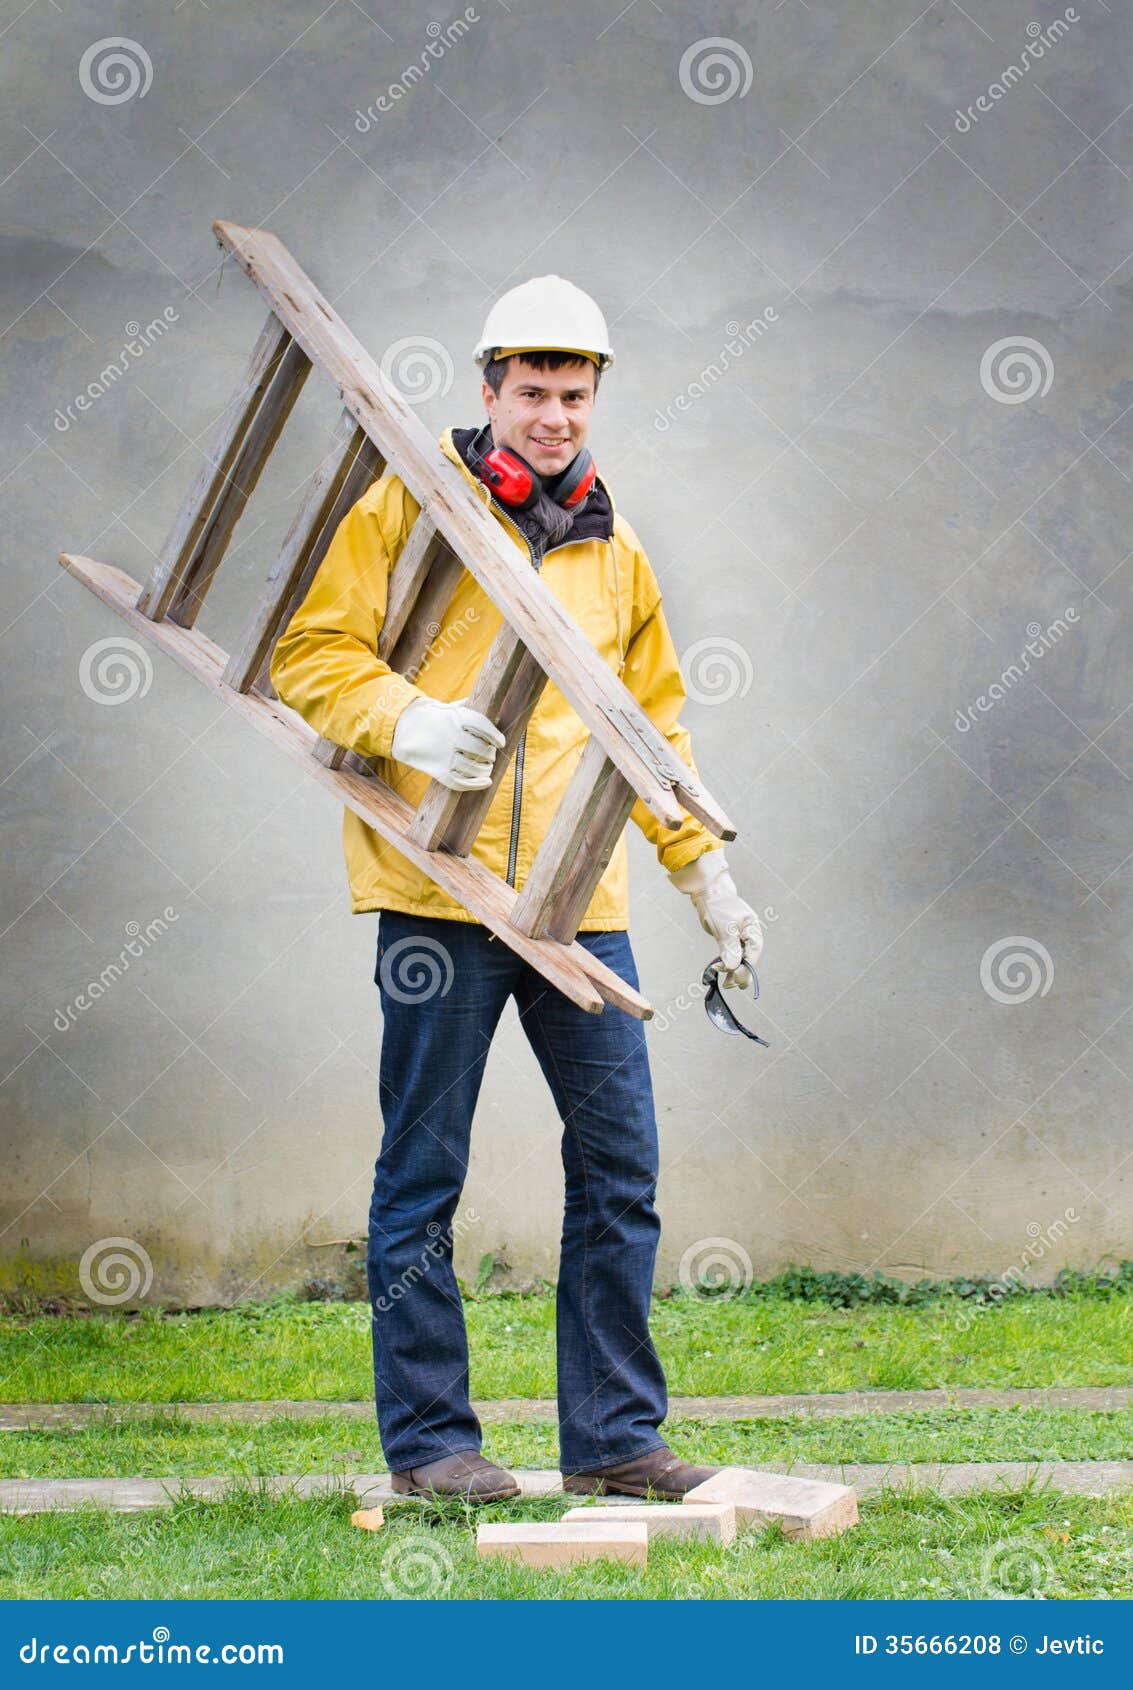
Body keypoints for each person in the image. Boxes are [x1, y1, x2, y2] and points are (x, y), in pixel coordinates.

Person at [269, 274, 763, 1503]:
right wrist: (409, 719)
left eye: (573, 395)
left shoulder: (614, 542)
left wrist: (704, 871)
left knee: (619, 1167)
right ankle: (433, 1446)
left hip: (576, 904)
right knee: (421, 1171)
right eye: (531, 392)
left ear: (595, 400)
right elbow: (308, 654)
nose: (552, 416)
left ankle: (611, 1439)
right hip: (438, 894)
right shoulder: (407, 505)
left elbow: (651, 727)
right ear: (487, 390)